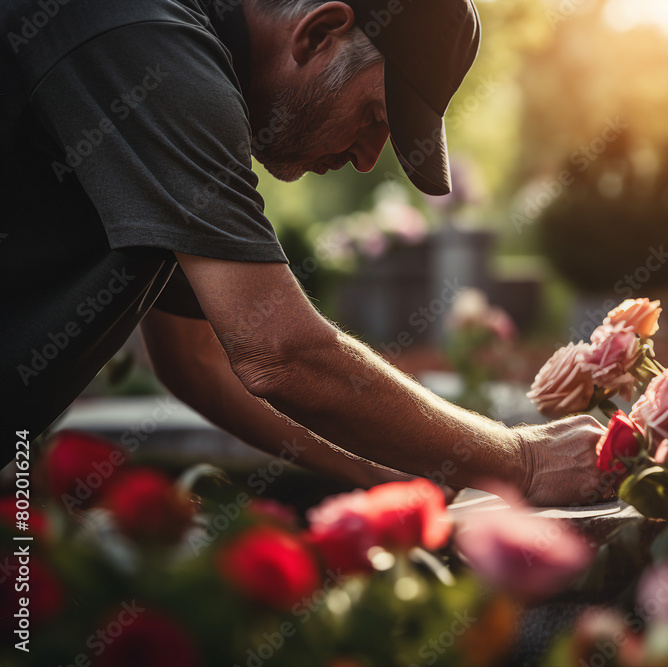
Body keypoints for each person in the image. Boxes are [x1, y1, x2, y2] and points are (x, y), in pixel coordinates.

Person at [0, 0, 605, 504]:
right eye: (373, 115)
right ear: (318, 34)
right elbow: (279, 352)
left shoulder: (175, 63)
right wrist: (519, 460)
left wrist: (415, 484)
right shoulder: (152, 46)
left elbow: (201, 359)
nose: (370, 158)